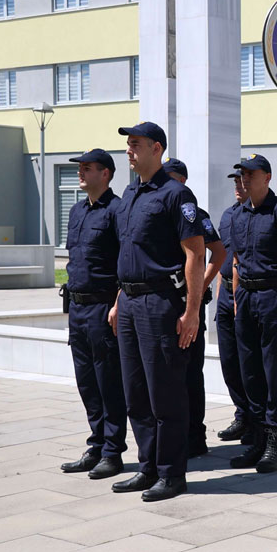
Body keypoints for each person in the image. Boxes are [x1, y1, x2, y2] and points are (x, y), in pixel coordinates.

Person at [111, 121, 204, 502]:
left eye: (136, 144)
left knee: (165, 392)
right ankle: (147, 466)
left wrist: (193, 312)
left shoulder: (175, 194)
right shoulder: (130, 194)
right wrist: (119, 301)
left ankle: (171, 473)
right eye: (128, 145)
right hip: (130, 303)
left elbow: (196, 254)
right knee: (135, 394)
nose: (129, 151)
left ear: (157, 149)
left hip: (160, 304)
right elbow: (128, 253)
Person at [227, 154, 277, 472]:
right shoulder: (238, 214)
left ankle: (275, 444)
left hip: (273, 296)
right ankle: (257, 439)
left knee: (274, 374)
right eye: (242, 173)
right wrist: (234, 298)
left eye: (251, 173)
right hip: (245, 296)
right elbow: (235, 260)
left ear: (267, 177)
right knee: (250, 373)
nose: (245, 178)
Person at [60, 148, 127, 480]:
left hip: (104, 307)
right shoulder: (76, 211)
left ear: (106, 174)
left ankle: (113, 451)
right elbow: (74, 261)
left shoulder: (117, 211)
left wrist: (117, 303)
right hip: (78, 308)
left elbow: (124, 264)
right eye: (80, 168)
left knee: (108, 381)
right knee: (87, 382)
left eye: (88, 168)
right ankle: (96, 444)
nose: (81, 173)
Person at [163, 158, 226, 459]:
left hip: (189, 307)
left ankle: (195, 436)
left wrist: (198, 288)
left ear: (183, 181)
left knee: (190, 373)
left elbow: (218, 252)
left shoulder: (194, 214)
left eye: (171, 178)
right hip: (162, 306)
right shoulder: (158, 211)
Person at [215, 171, 252, 443]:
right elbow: (223, 260)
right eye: (236, 182)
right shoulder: (228, 215)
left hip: (249, 296)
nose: (239, 186)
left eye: (243, 181)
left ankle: (257, 420)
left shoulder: (265, 214)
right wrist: (219, 297)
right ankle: (242, 415)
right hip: (226, 292)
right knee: (229, 361)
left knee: (250, 363)